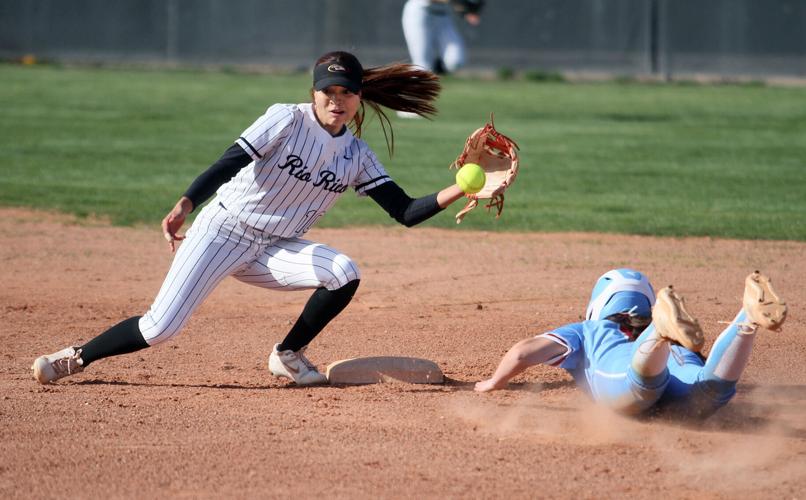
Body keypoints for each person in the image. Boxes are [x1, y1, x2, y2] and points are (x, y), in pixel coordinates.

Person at [32, 51, 470, 386]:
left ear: (359, 96)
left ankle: (288, 355)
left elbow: (406, 211)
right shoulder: (286, 119)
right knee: (160, 328)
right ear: (314, 92)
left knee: (343, 272)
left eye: (346, 92)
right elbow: (229, 161)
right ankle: (76, 356)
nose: (337, 101)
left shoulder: (357, 155)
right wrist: (187, 203)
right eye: (328, 92)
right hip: (222, 231)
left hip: (274, 249)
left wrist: (468, 187)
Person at [474, 269, 788, 419]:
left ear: (600, 302)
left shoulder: (590, 328)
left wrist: (494, 382)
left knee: (639, 387)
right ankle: (746, 319)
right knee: (710, 392)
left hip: (628, 369)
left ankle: (658, 334)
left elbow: (523, 352)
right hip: (679, 356)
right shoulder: (685, 343)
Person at [401, 0, 484, 75]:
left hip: (442, 15)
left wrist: (467, 10)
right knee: (422, 65)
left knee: (455, 61)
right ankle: (408, 85)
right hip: (419, 12)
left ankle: (431, 71)